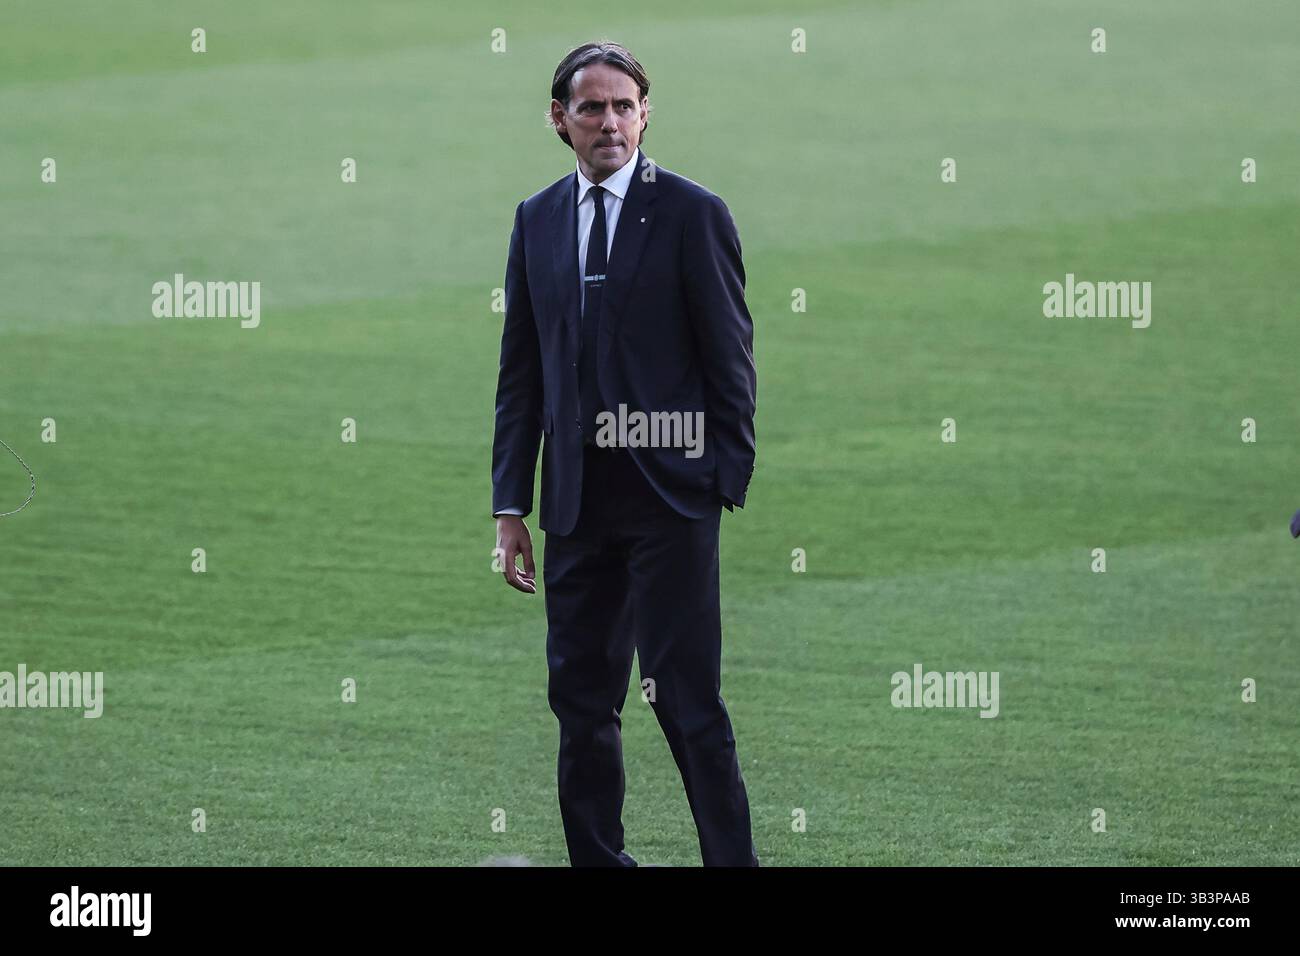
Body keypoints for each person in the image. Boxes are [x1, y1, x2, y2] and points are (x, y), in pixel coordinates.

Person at [491, 40, 758, 867]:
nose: (610, 122)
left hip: (671, 503)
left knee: (686, 704)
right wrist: (511, 506)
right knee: (580, 703)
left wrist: (721, 479)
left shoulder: (690, 212)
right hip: (575, 505)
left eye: (623, 106)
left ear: (645, 114)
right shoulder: (536, 218)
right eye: (592, 107)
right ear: (559, 119)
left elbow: (730, 358)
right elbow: (521, 372)